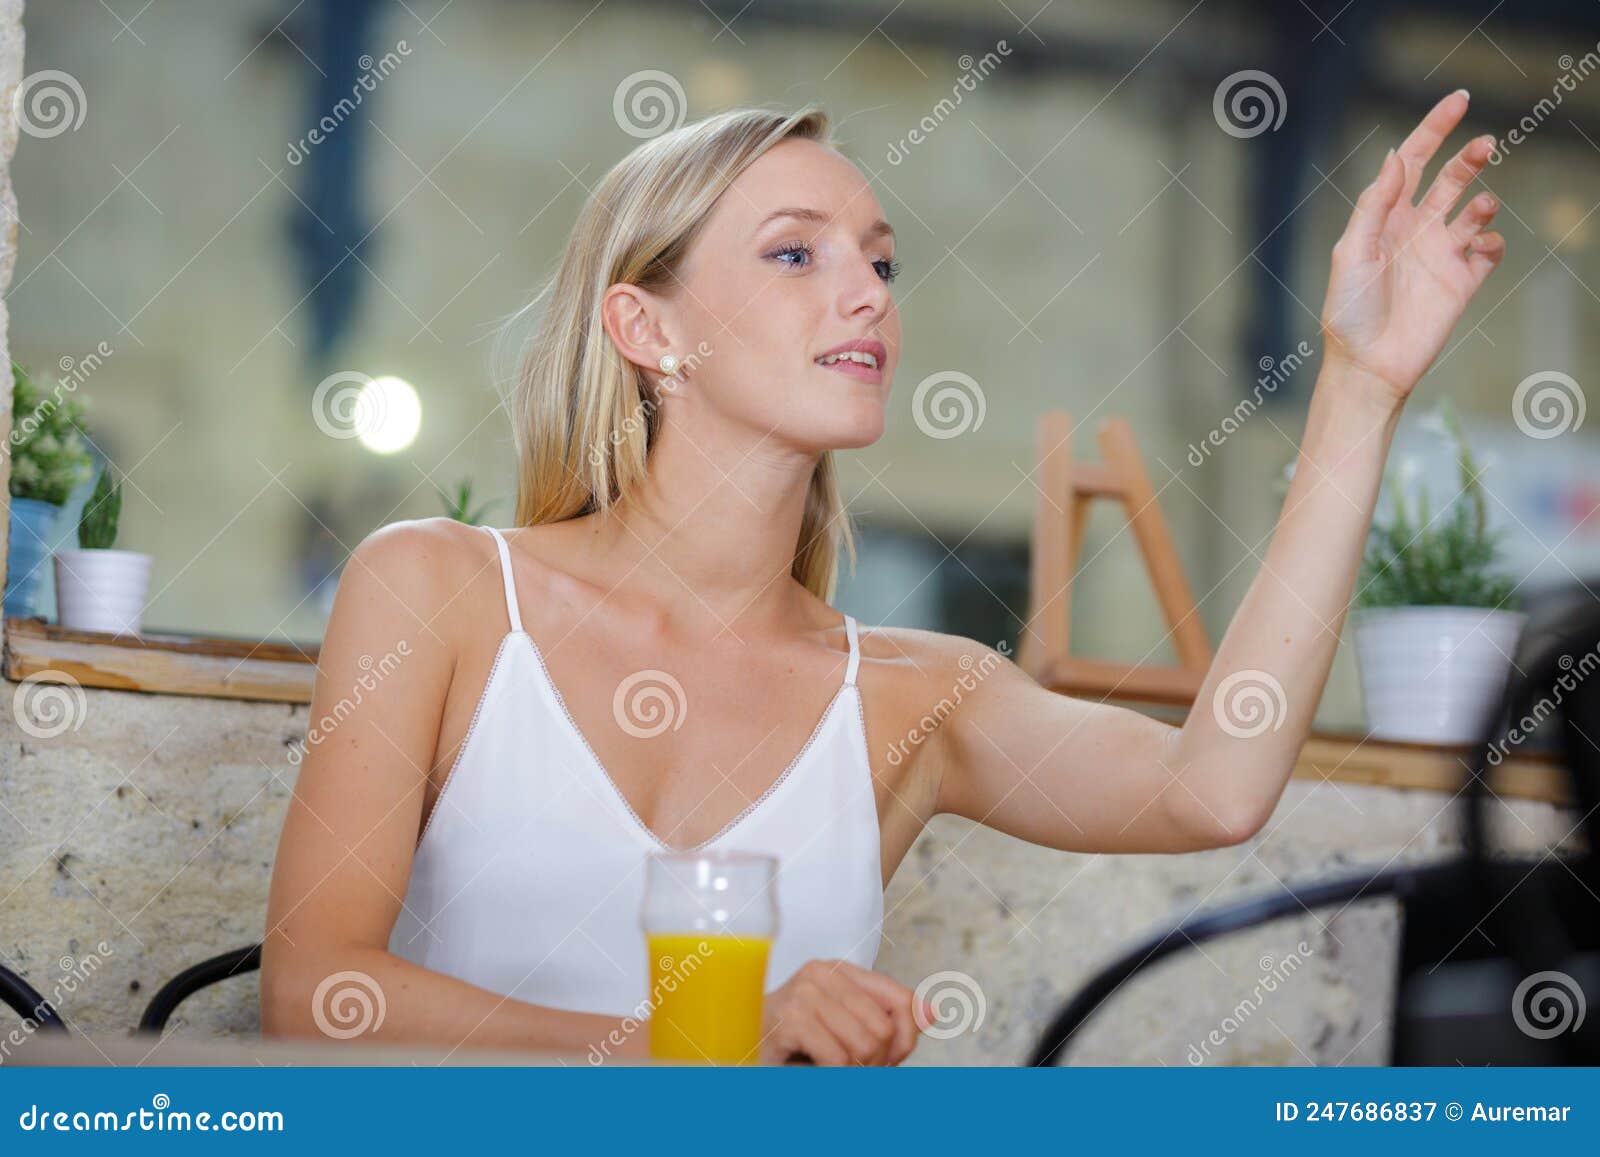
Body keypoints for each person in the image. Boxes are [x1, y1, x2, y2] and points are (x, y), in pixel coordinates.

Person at [262, 91, 1506, 1065]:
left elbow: (1213, 784)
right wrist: (696, 1052)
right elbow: (318, 990)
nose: (866, 291)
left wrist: (1359, 383)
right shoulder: (437, 588)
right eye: (795, 255)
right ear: (647, 330)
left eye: (879, 260)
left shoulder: (919, 694)